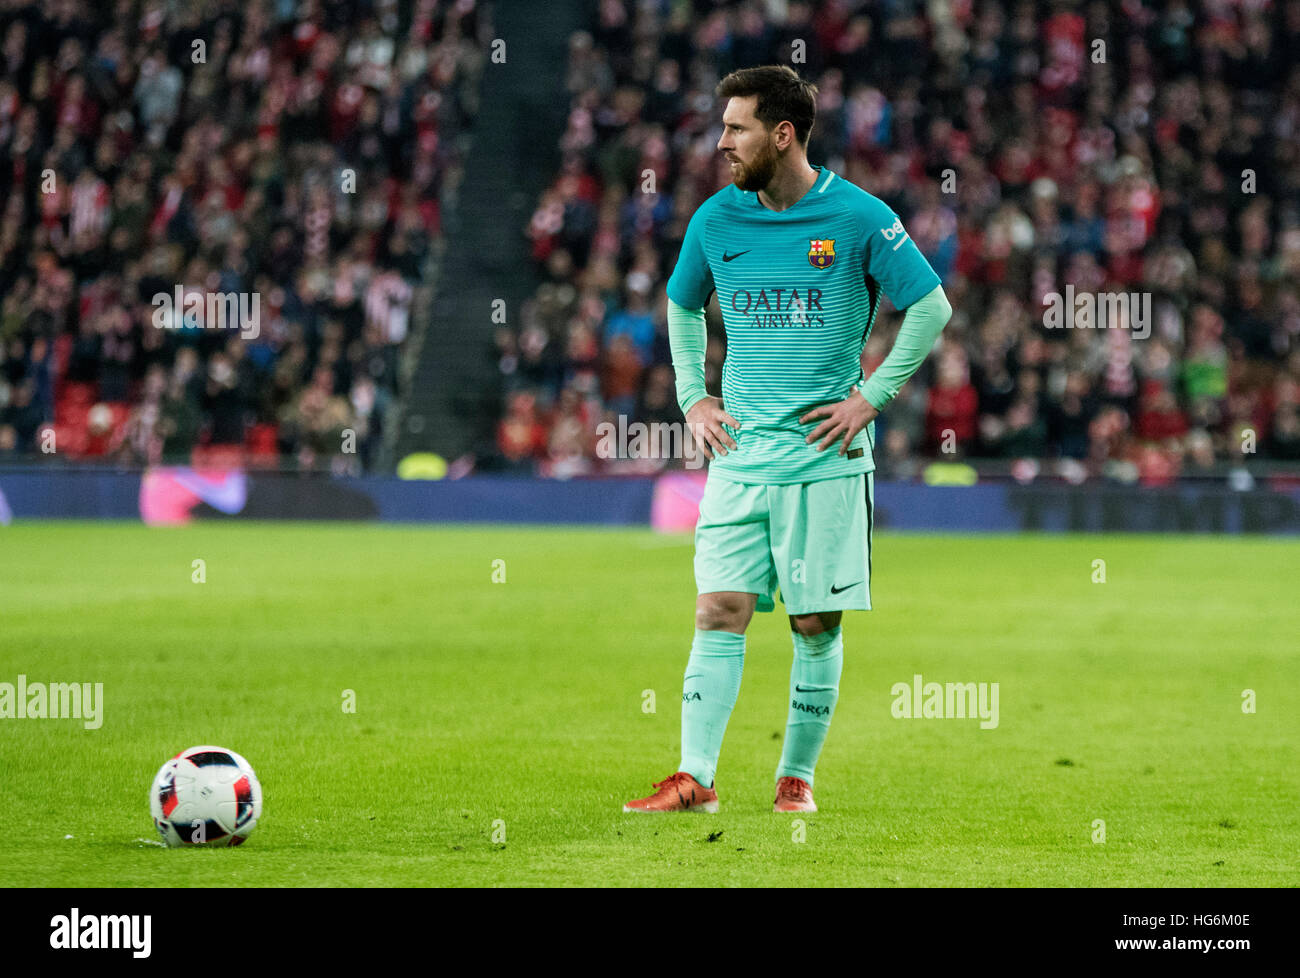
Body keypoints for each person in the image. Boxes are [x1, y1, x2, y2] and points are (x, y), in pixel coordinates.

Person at [624, 66, 951, 814]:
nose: (722, 142)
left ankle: (794, 779)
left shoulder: (860, 218)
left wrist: (871, 397)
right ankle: (695, 779)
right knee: (718, 610)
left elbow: (931, 307)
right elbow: (680, 305)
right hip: (738, 458)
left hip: (824, 464)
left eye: (736, 129)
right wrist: (691, 397)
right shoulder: (716, 220)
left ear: (783, 134)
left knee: (813, 622)